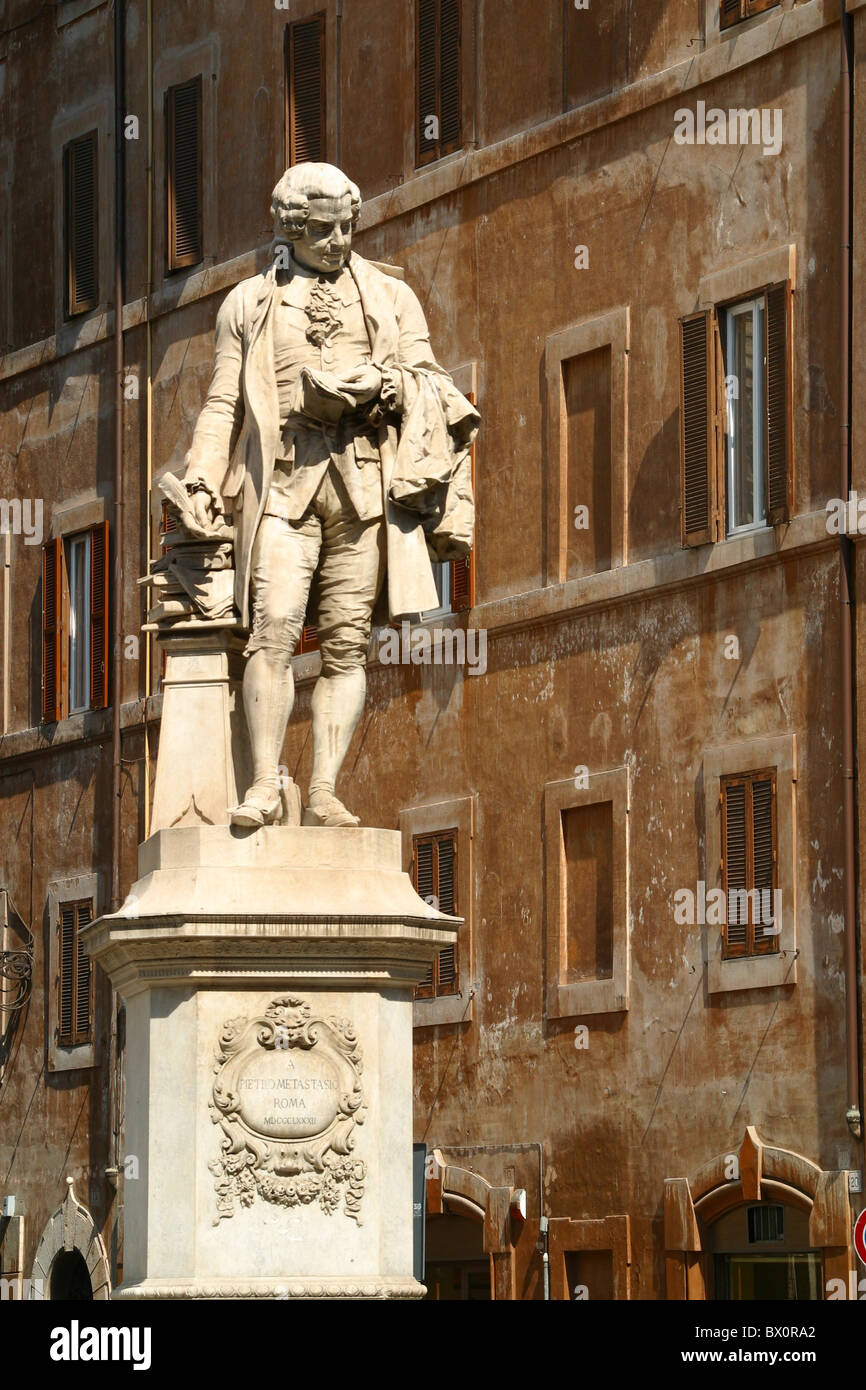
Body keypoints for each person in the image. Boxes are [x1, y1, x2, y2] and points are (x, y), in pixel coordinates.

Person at [182, 162, 478, 828]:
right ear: (290, 228)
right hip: (284, 490)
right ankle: (264, 782)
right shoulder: (249, 306)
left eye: (347, 226)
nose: (339, 239)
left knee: (346, 645)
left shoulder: (390, 297)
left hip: (366, 492)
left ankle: (321, 790)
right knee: (275, 630)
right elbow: (223, 401)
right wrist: (203, 475)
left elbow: (431, 381)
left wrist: (388, 388)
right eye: (323, 230)